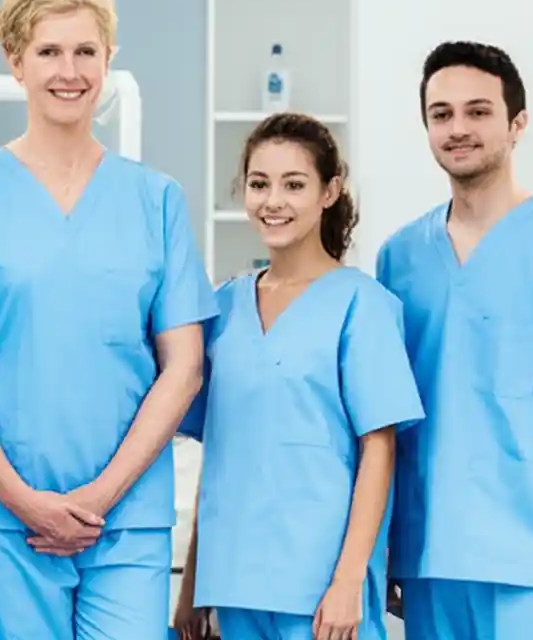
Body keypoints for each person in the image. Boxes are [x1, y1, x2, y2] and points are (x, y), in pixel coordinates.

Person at [0, 0, 216, 639]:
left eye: (85, 52)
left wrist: (101, 498)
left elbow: (183, 367)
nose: (68, 71)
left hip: (126, 513)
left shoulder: (155, 200)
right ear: (15, 62)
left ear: (109, 60)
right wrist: (21, 500)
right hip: (0, 513)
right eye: (48, 51)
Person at [378, 40, 533, 640]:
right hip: (428, 557)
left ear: (517, 124)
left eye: (478, 111)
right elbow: (387, 422)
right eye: (441, 115)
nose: (458, 128)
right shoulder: (400, 258)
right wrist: (385, 551)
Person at [172, 113, 426, 640]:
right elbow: (222, 458)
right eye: (259, 184)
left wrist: (349, 580)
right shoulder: (223, 308)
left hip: (321, 589)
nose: (273, 201)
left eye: (294, 185)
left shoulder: (363, 305)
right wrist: (194, 584)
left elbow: (379, 452)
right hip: (234, 581)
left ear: (330, 191)